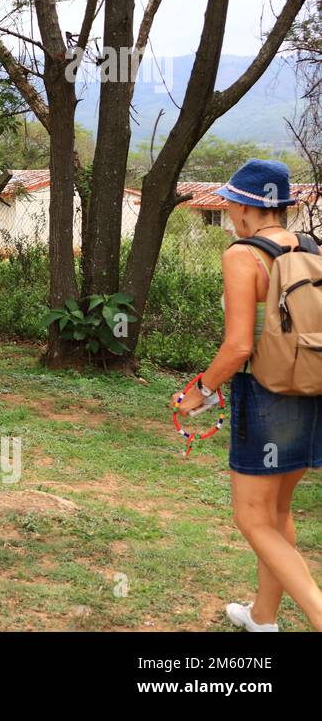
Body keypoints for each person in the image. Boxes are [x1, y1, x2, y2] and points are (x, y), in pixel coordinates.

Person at [174, 159, 322, 632]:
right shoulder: (312, 247)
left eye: (233, 203)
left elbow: (240, 345)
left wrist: (200, 391)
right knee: (277, 511)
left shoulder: (243, 255)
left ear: (245, 208)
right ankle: (263, 617)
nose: (231, 212)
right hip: (311, 389)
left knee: (252, 518)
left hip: (266, 396)